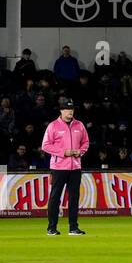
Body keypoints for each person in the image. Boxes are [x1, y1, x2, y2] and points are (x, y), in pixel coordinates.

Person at [40, 99, 89, 236]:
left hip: (75, 167)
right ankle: (51, 228)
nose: (70, 112)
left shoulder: (79, 125)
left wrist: (81, 151)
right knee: (55, 197)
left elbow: (85, 142)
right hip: (59, 167)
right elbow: (46, 146)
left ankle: (73, 228)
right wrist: (63, 153)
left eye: (72, 109)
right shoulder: (53, 126)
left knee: (74, 198)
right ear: (61, 111)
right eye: (67, 109)